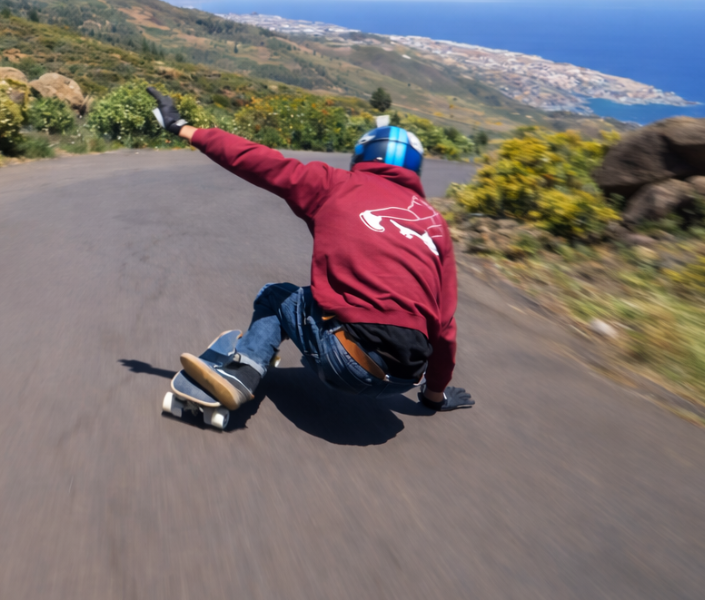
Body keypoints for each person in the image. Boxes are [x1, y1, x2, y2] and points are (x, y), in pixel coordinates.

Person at [148, 88, 474, 413]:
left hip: (347, 364)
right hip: (405, 380)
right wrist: (435, 396)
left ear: (360, 157)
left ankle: (243, 373)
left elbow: (256, 159)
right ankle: (288, 348)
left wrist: (182, 127)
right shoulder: (435, 224)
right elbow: (445, 327)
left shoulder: (334, 183)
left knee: (277, 297)